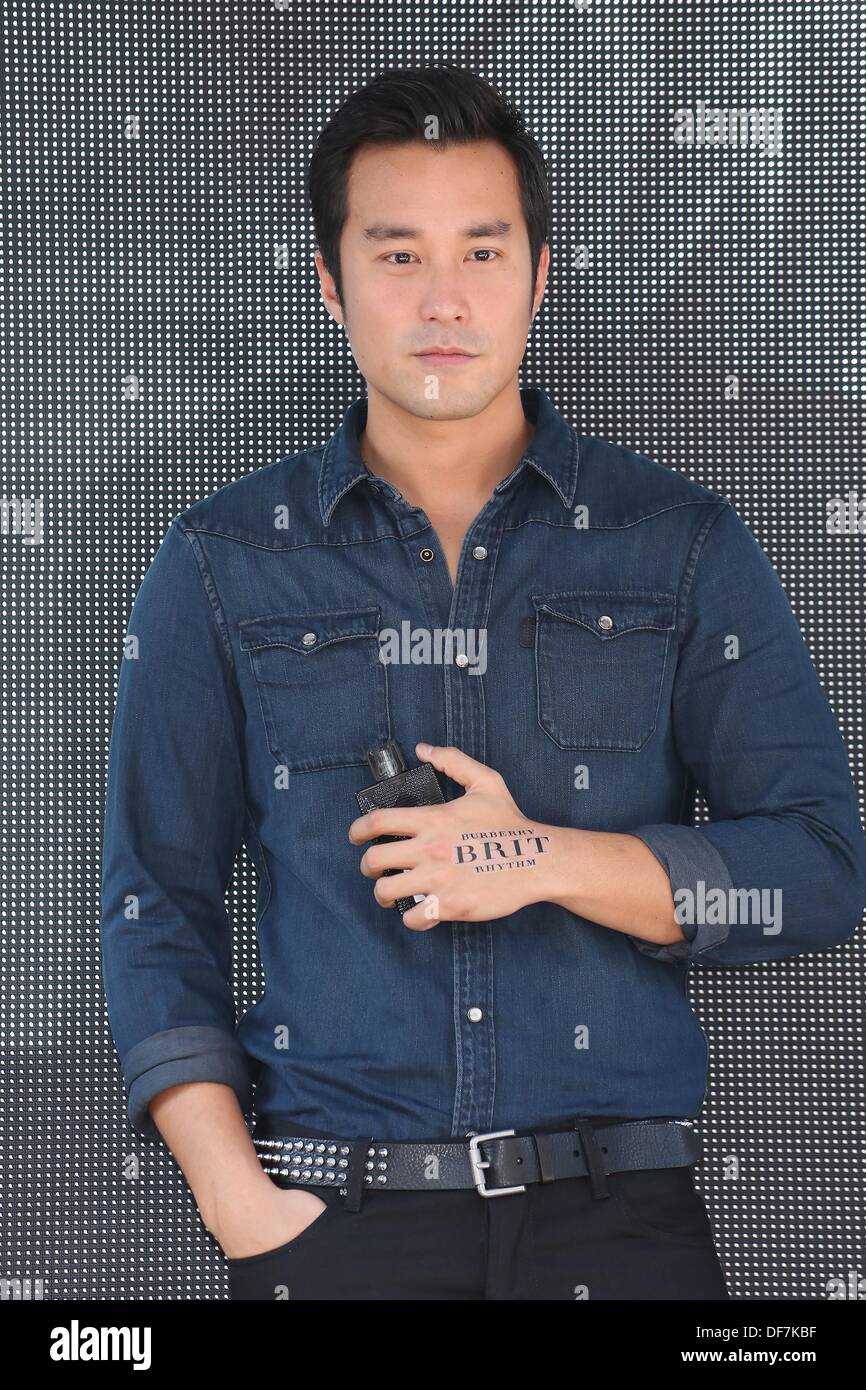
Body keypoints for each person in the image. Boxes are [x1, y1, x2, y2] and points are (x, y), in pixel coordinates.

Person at [100, 63, 866, 1301]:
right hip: (332, 1224)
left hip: (619, 1229)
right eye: (397, 255)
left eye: (482, 250)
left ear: (540, 274)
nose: (443, 298)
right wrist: (244, 1211)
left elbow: (819, 872)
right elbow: (156, 905)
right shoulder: (219, 563)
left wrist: (539, 856)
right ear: (330, 284)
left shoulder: (679, 542)